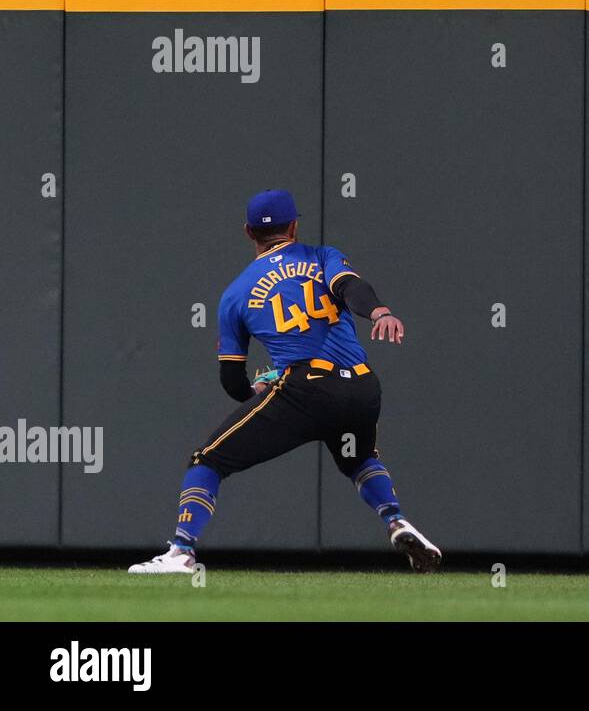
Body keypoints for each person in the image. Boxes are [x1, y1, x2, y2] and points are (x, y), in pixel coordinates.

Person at [128, 189, 441, 574]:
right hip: (361, 387)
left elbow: (231, 377)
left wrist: (252, 394)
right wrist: (379, 312)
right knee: (359, 459)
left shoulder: (235, 294)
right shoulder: (323, 257)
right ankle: (395, 520)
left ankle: (181, 552)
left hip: (305, 390)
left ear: (248, 232)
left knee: (207, 461)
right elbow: (350, 288)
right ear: (293, 226)